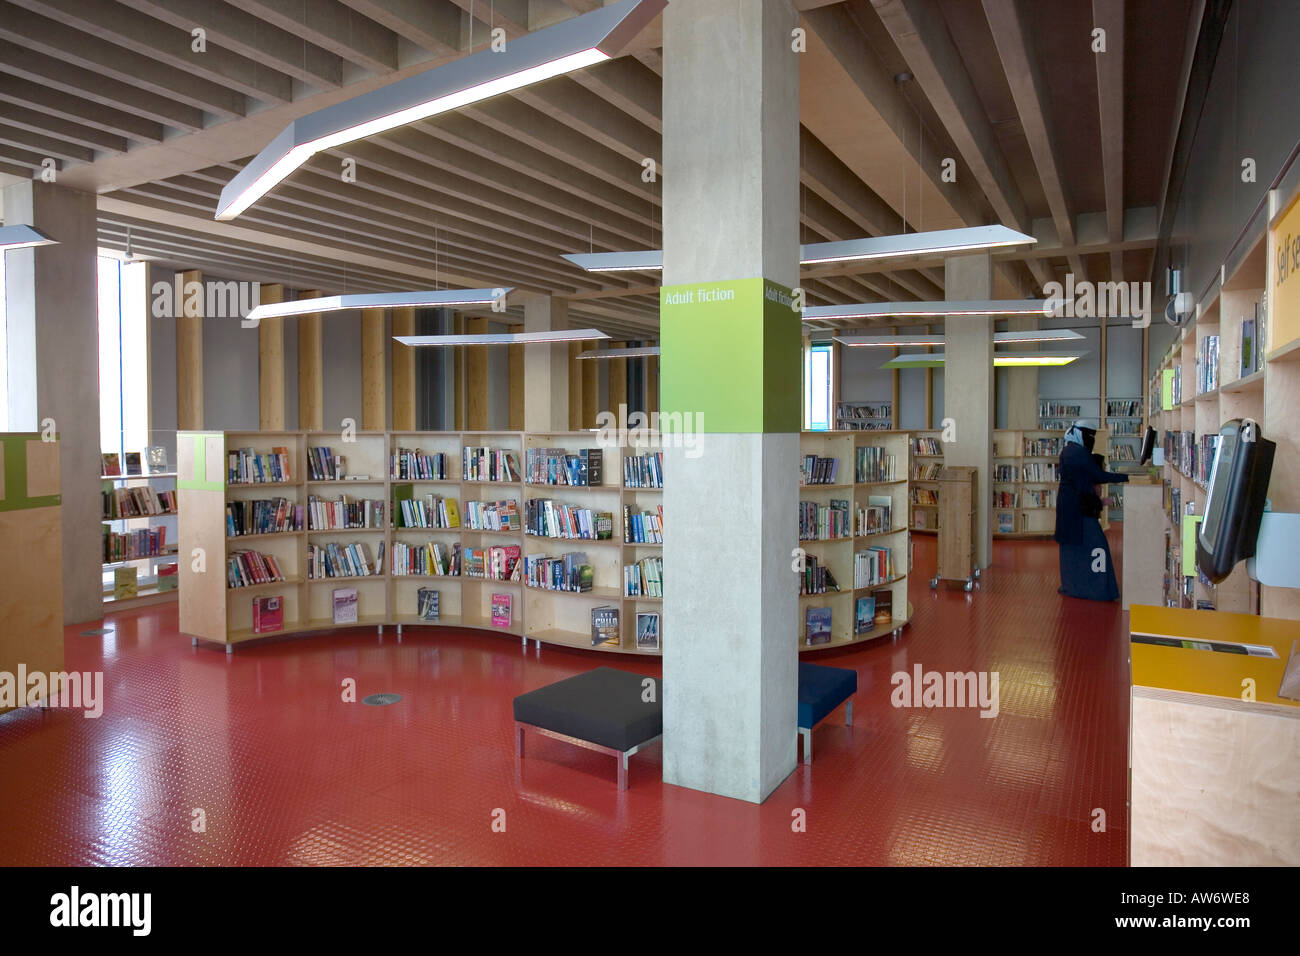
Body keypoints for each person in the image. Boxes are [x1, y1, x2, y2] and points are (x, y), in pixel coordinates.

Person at [1055, 422, 1129, 600]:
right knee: (1096, 545)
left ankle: (1078, 586)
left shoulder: (1071, 450)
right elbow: (1098, 476)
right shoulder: (1077, 452)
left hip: (1073, 507)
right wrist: (1127, 477)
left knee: (1077, 547)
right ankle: (1098, 589)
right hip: (1076, 509)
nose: (1092, 439)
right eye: (1090, 435)